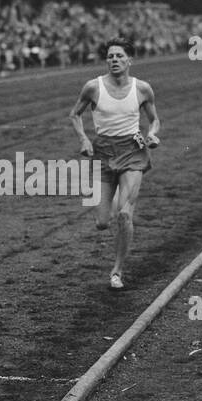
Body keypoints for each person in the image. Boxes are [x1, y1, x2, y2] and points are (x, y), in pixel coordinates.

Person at [69, 37, 161, 290]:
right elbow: (74, 114)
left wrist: (152, 134)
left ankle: (117, 271)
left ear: (130, 60)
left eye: (120, 56)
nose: (114, 60)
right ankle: (120, 194)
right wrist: (84, 140)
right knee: (102, 222)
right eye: (110, 56)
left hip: (133, 150)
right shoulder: (93, 87)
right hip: (103, 152)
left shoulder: (142, 89)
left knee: (123, 214)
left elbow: (154, 119)